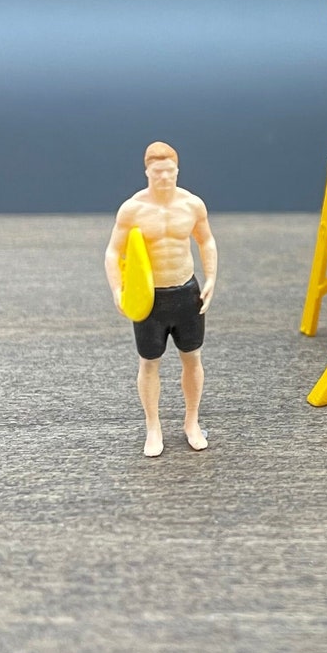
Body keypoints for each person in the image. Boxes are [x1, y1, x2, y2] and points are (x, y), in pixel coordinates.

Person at [105, 142, 218, 456]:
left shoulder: (192, 205)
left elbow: (206, 240)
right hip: (149, 299)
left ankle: (191, 421)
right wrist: (117, 289)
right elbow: (114, 252)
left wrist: (211, 278)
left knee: (192, 358)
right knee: (149, 362)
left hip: (186, 293)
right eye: (158, 173)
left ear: (177, 171)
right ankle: (152, 426)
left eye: (170, 172)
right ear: (147, 173)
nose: (165, 178)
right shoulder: (133, 209)